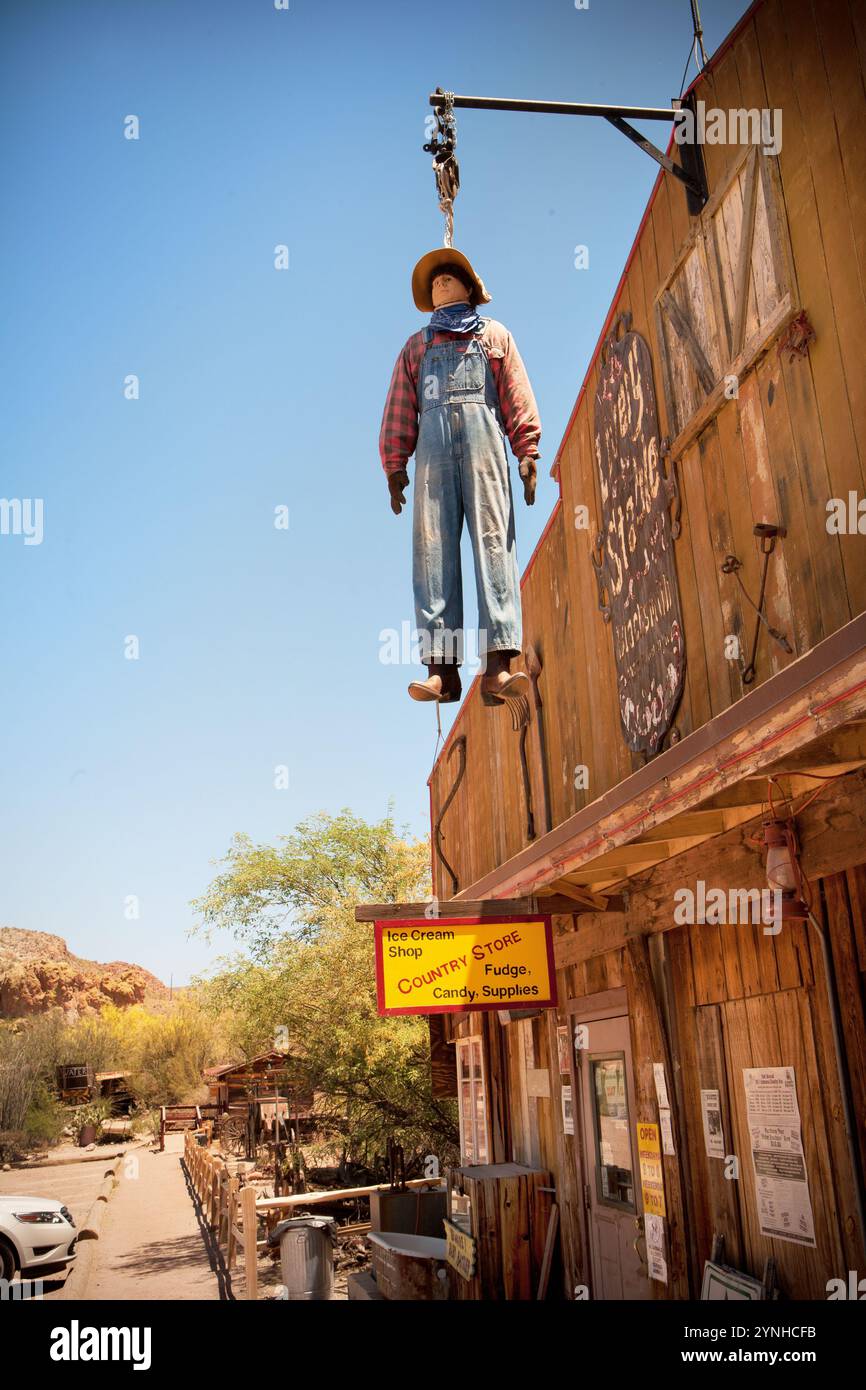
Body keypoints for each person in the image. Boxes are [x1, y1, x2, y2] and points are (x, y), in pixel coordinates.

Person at [380, 248, 541, 708]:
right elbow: (398, 407)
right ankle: (441, 672)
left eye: (449, 277)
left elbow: (515, 392)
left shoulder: (494, 336)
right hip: (432, 456)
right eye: (434, 282)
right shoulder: (416, 347)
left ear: (470, 287)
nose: (441, 284)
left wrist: (527, 450)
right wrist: (395, 464)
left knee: (494, 542)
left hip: (485, 447)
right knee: (433, 552)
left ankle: (499, 666)